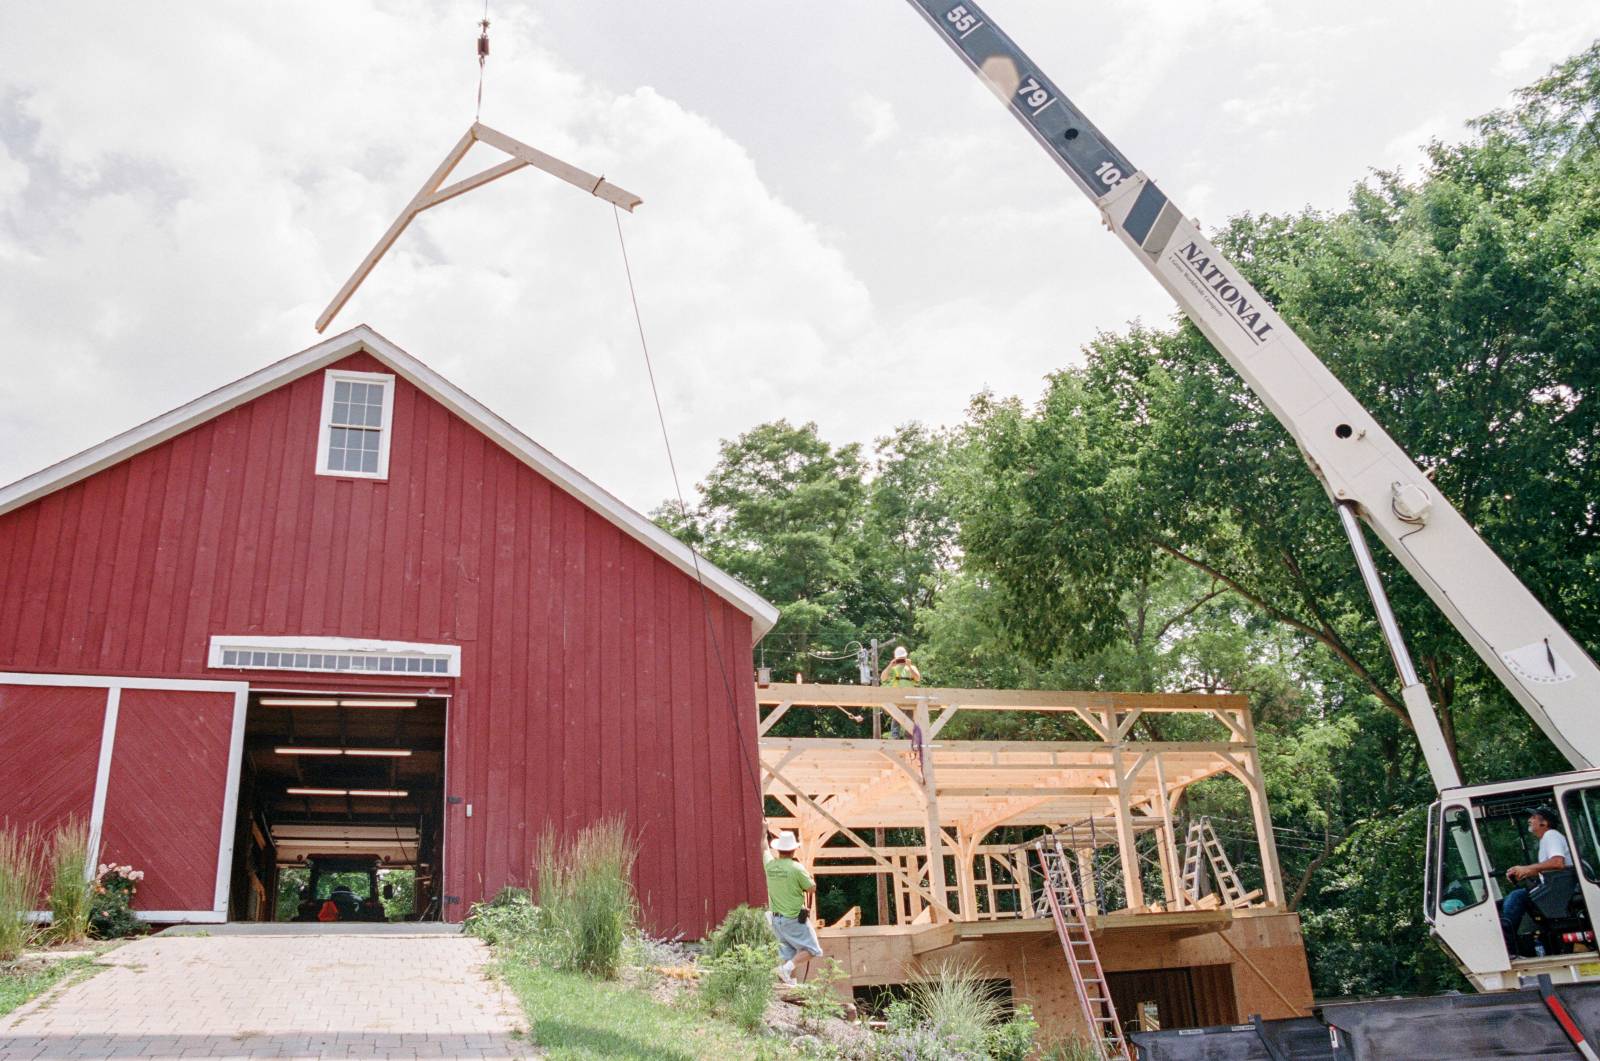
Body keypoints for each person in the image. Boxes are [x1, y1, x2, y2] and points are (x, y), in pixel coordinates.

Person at [1500, 806, 1571, 956]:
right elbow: (1549, 868)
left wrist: (1527, 869)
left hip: (1559, 892)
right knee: (1507, 900)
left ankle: (1507, 949)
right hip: (1555, 890)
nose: (1529, 820)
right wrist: (1526, 872)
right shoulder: (1547, 839)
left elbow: (1558, 863)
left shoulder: (1551, 835)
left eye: (1533, 817)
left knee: (1516, 897)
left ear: (1544, 823)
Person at [765, 831, 822, 985]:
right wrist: (809, 878)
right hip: (793, 918)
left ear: (778, 849)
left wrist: (762, 831)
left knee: (788, 952)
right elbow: (811, 888)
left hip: (777, 920)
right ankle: (785, 970)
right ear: (793, 850)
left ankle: (785, 980)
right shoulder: (796, 868)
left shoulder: (769, 865)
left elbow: (763, 848)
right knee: (811, 949)